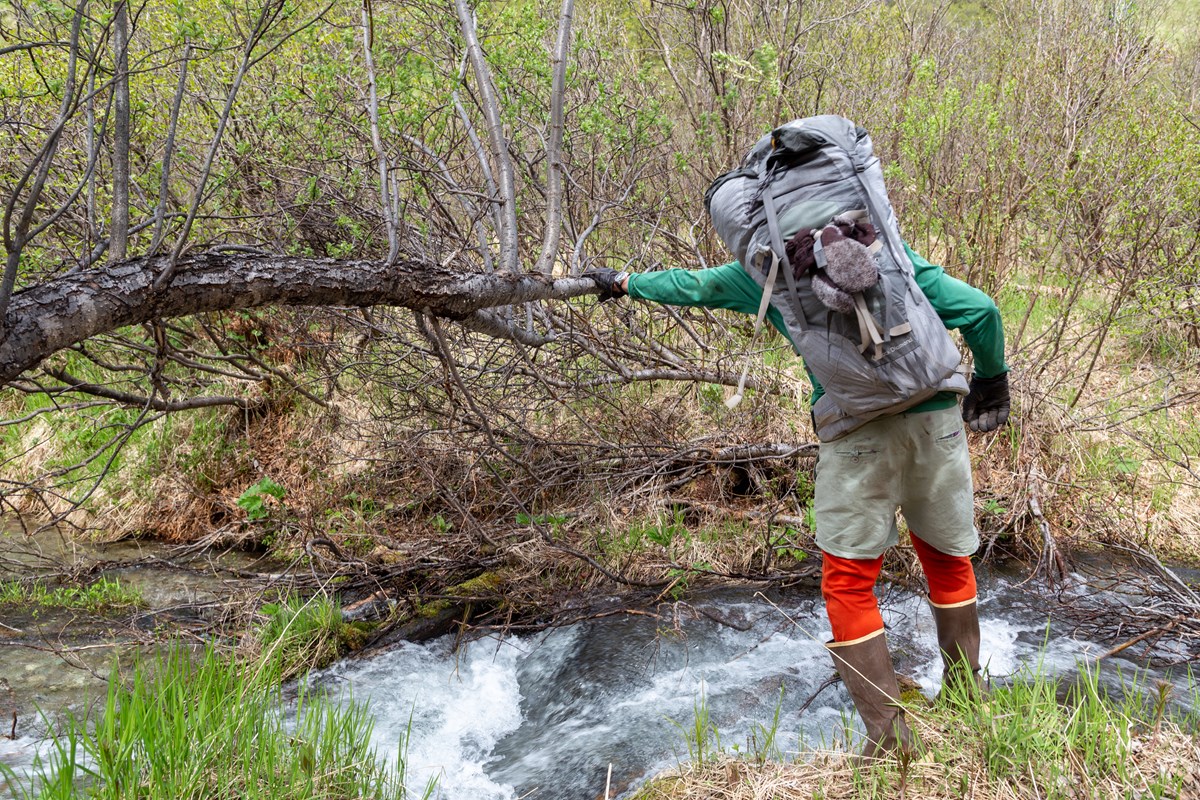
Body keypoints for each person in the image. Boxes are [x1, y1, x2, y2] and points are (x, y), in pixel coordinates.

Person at [586, 239, 1010, 761]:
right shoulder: (885, 252)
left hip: (855, 433)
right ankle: (968, 696)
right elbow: (981, 310)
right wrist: (992, 378)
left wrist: (625, 282)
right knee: (947, 557)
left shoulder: (766, 272)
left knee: (850, 582)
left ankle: (892, 745)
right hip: (937, 418)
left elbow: (695, 286)